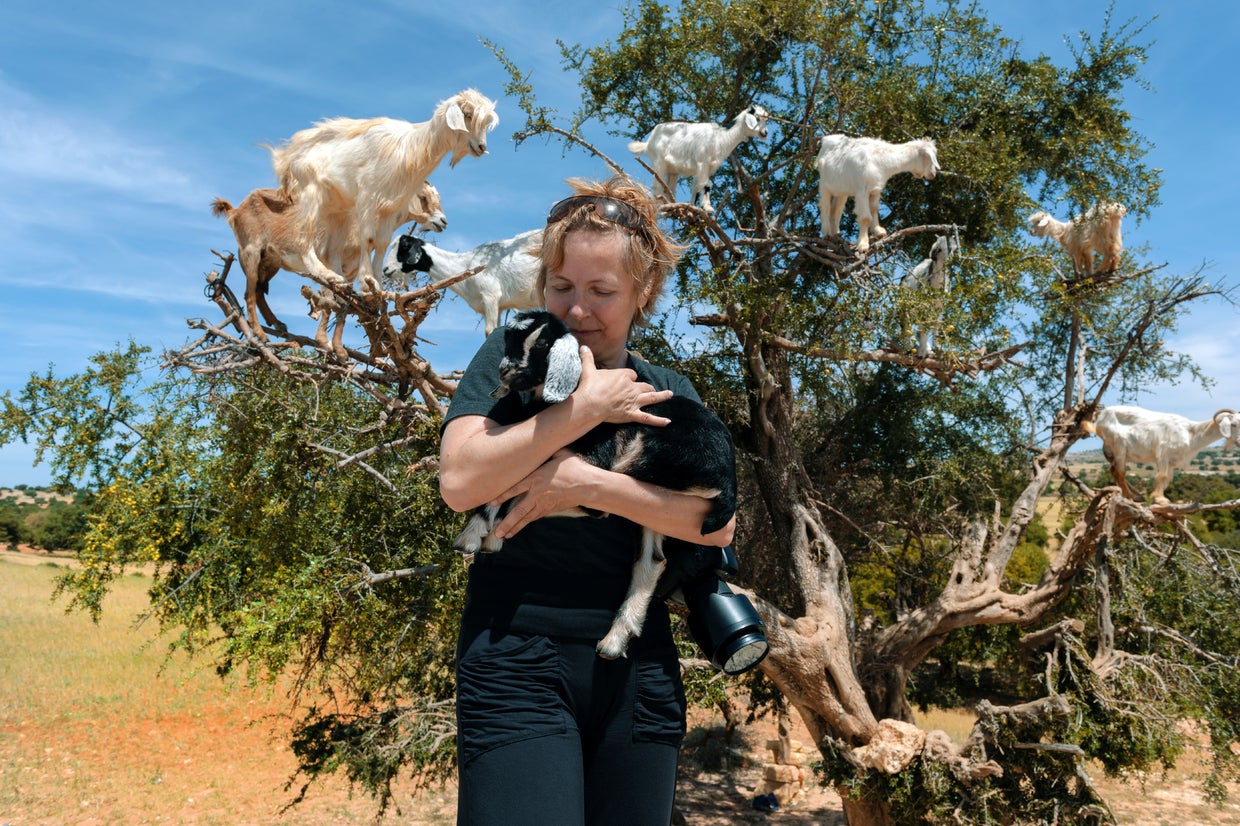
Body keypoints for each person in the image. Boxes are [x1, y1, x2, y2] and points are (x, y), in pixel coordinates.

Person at [438, 174, 737, 826]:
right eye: (561, 288)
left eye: (602, 293)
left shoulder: (667, 388)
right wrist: (585, 409)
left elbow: (716, 524)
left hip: (640, 671)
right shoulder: (513, 353)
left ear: (643, 292)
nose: (577, 311)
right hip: (515, 657)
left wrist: (587, 486)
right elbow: (460, 481)